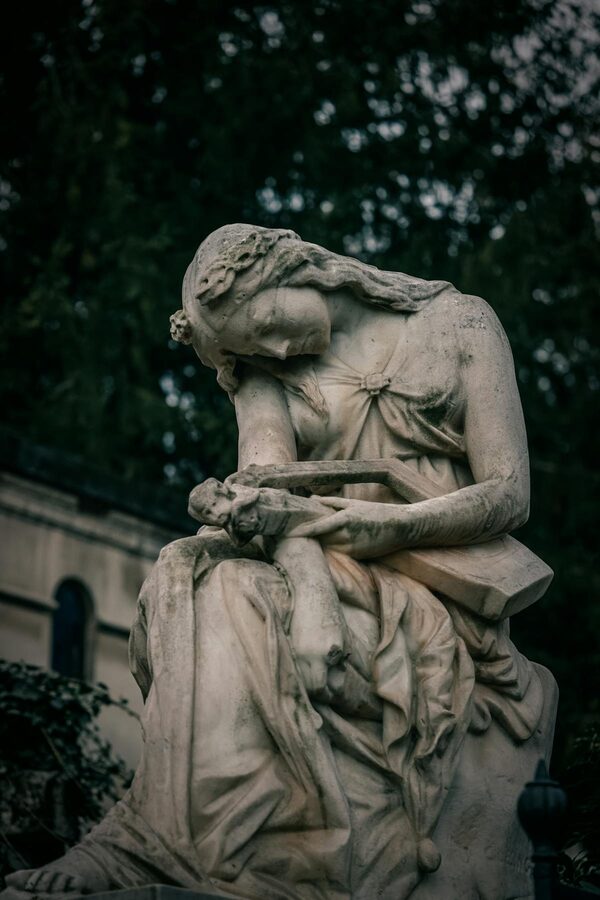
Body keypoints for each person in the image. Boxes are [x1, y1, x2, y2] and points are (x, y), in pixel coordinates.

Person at [4, 224, 557, 900]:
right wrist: (314, 595)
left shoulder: (459, 325)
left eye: (263, 324)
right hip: (323, 564)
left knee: (235, 595)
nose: (267, 350)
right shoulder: (266, 375)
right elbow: (272, 503)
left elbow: (509, 493)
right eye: (246, 348)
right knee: (188, 570)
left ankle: (266, 843)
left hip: (428, 578)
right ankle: (147, 841)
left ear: (295, 269)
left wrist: (388, 524)